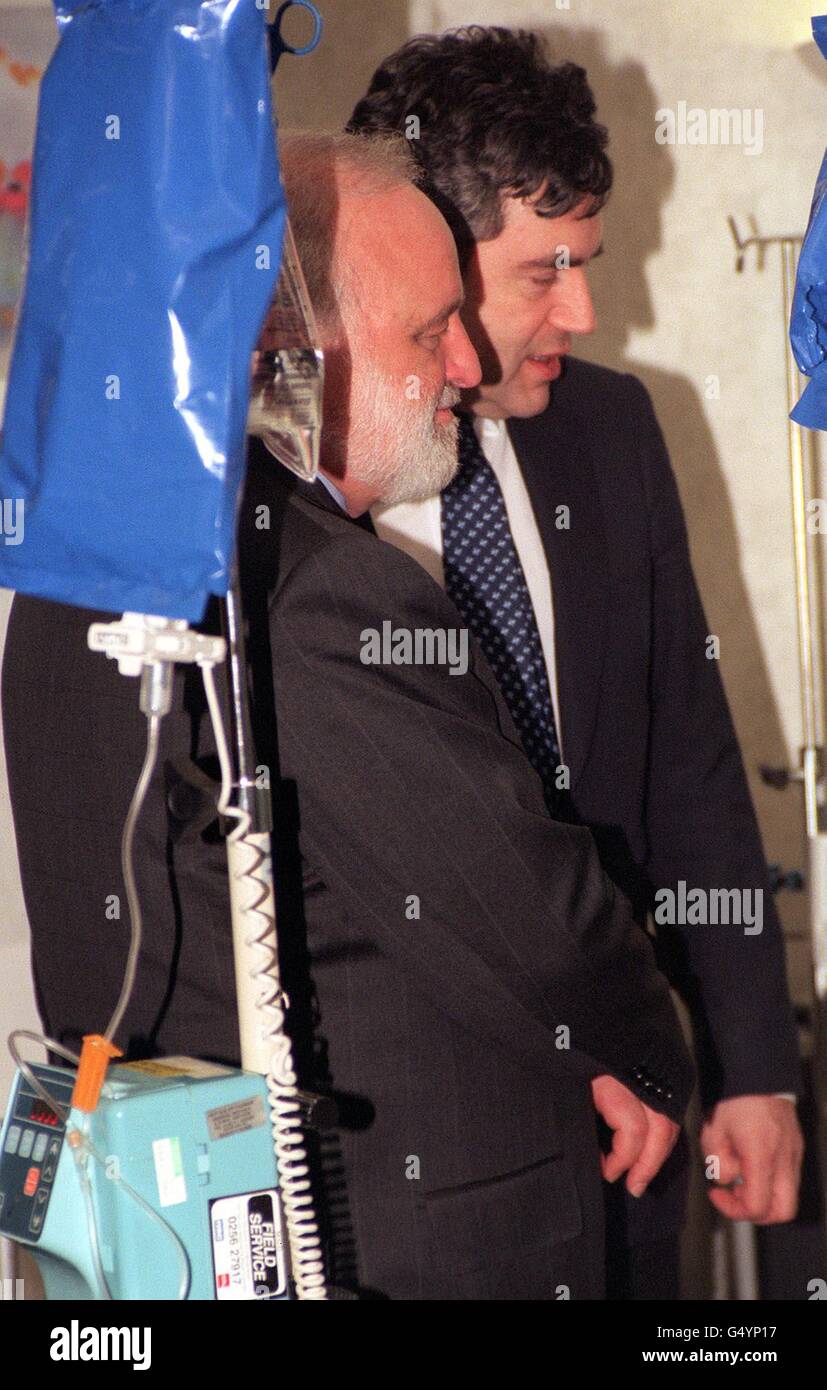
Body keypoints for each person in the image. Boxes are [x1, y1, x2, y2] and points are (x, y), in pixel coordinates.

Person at [2, 131, 693, 1300]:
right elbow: (525, 916)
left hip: (154, 1240)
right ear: (290, 355)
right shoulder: (315, 588)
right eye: (431, 329)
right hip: (393, 1241)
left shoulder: (76, 571)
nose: (468, 363)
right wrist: (647, 1044)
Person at [347, 27, 804, 1297]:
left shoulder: (611, 430)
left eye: (585, 263)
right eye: (540, 271)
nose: (584, 311)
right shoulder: (308, 496)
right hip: (432, 1179)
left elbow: (691, 766)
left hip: (638, 1139)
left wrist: (752, 1062)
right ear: (424, 252)